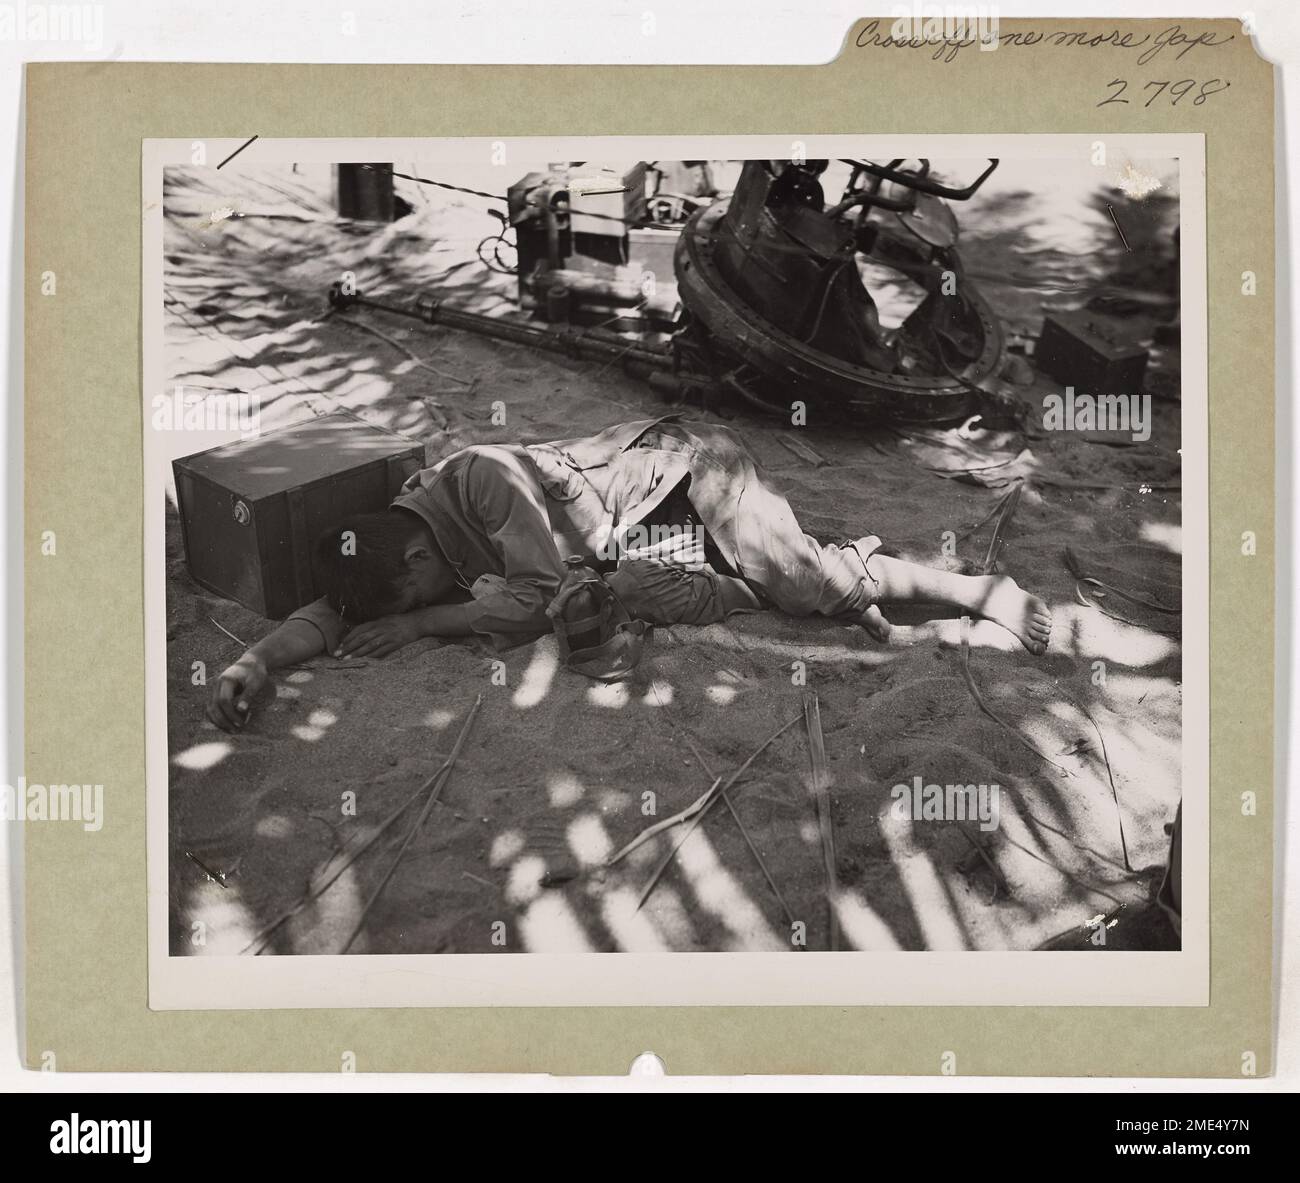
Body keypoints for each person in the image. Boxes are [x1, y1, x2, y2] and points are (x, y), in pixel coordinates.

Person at [207, 416, 1051, 730]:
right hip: (632, 542)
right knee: (666, 599)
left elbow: (535, 595)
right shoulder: (397, 543)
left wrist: (425, 622)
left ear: (422, 559)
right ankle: (822, 580)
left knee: (807, 589)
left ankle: (980, 592)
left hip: (690, 474)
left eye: (419, 593)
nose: (417, 604)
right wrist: (258, 661)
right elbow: (331, 612)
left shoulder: (479, 478)